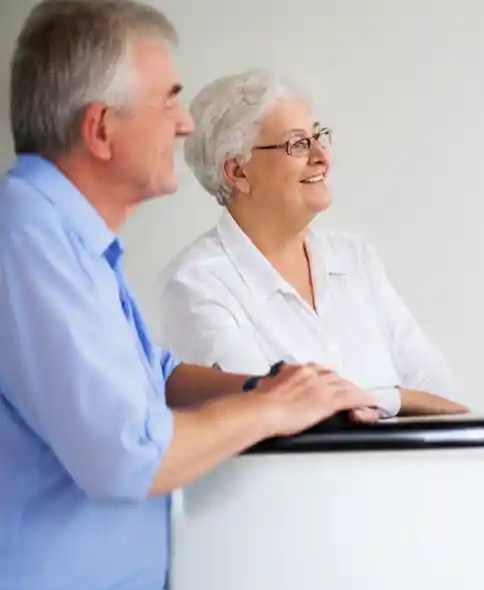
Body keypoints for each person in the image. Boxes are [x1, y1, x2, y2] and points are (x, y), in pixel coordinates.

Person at [0, 2, 379, 590]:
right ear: (100, 127)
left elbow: (154, 375)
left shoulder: (68, 245)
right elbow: (127, 455)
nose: (185, 124)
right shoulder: (30, 239)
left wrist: (278, 382)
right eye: (169, 100)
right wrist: (271, 406)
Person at [156, 69, 466, 418]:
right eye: (299, 144)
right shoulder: (196, 284)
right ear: (238, 172)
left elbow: (447, 402)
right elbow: (269, 421)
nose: (322, 156)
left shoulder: (354, 258)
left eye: (319, 137)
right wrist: (394, 400)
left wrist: (385, 398)